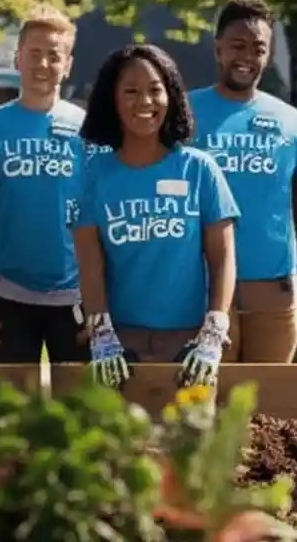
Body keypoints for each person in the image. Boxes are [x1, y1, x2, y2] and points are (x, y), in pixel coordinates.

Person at [74, 44, 239, 388]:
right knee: (121, 441)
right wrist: (102, 335)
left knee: (191, 439)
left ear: (172, 95)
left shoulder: (199, 169)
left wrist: (213, 332)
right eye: (131, 91)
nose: (144, 102)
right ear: (112, 100)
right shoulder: (94, 174)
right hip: (122, 342)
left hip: (189, 341)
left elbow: (223, 259)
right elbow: (90, 264)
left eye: (155, 90)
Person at [188, 0, 297, 364]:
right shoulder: (184, 113)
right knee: (206, 403)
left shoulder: (290, 122)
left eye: (259, 48)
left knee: (269, 408)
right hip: (198, 289)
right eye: (237, 46)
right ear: (217, 49)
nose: (247, 57)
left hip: (273, 292)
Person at [0, 6, 87, 364]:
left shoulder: (90, 130)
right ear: (18, 58)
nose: (43, 64)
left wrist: (100, 299)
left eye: (54, 55)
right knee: (11, 410)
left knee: (77, 411)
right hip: (9, 296)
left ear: (68, 64)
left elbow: (99, 219)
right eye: (34, 53)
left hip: (75, 296)